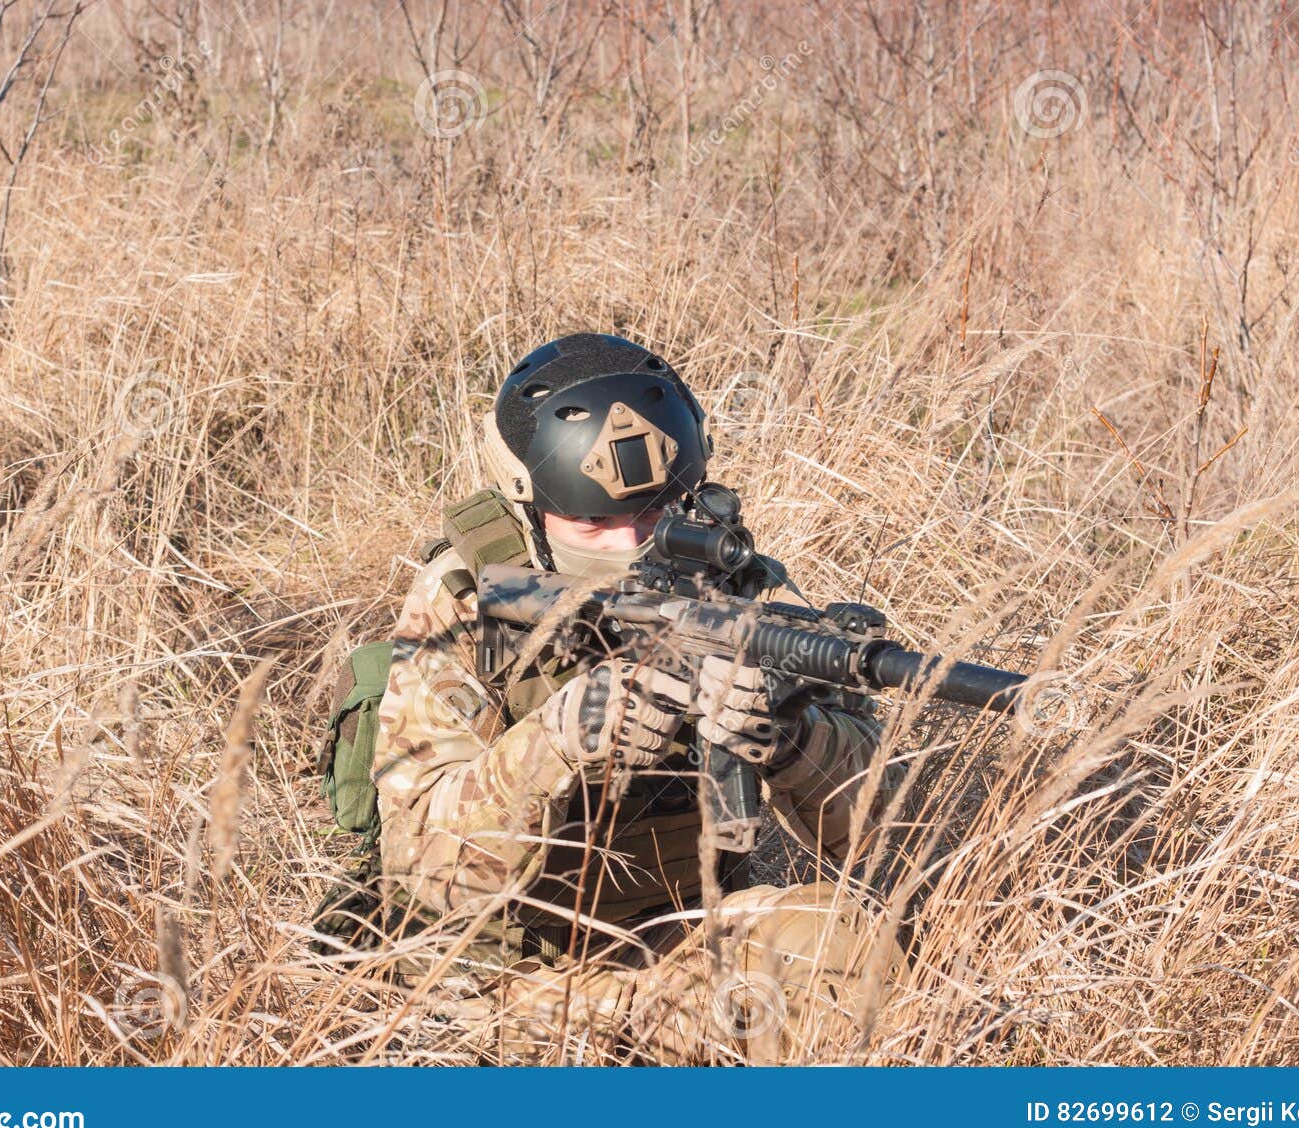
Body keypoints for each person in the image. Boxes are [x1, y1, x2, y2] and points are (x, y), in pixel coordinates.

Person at [360, 332, 900, 1062]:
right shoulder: (466, 597)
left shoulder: (728, 579)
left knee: (844, 955)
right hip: (503, 980)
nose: (627, 545)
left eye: (653, 513)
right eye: (591, 522)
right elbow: (423, 868)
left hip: (672, 941)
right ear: (528, 509)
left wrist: (790, 738)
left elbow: (881, 838)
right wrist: (557, 740)